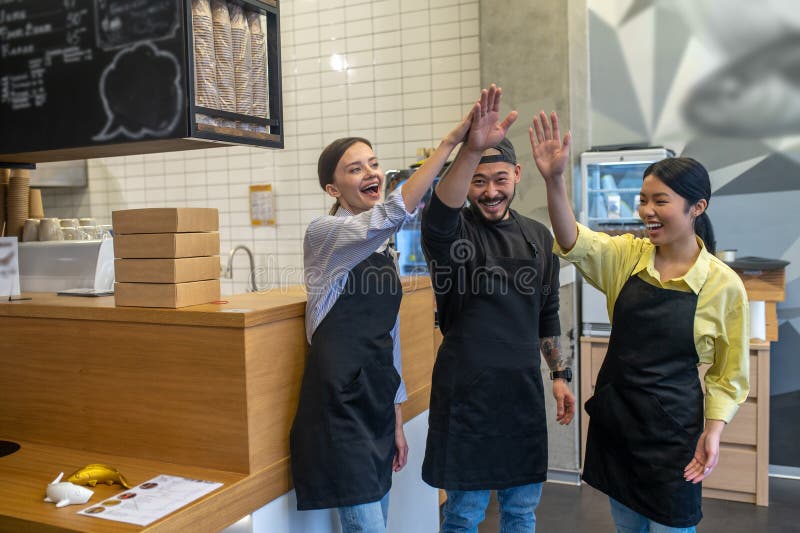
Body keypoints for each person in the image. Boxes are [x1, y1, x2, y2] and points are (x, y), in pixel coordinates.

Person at [289, 86, 503, 533]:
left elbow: (390, 340)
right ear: (332, 188)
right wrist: (451, 144)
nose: (370, 172)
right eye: (355, 169)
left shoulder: (383, 250)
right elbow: (393, 213)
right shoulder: (324, 234)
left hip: (375, 404)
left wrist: (397, 418)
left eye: (373, 163)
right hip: (338, 409)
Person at [529, 110, 750, 532]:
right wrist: (554, 180)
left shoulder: (723, 285)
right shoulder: (628, 256)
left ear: (697, 207)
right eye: (643, 200)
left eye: (660, 201)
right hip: (620, 426)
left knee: (673, 525)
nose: (647, 211)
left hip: (673, 436)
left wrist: (714, 431)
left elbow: (729, 374)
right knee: (627, 526)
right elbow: (572, 240)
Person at [420, 88, 576, 533]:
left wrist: (559, 375)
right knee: (463, 514)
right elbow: (439, 214)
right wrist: (468, 150)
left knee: (521, 511)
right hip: (465, 397)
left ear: (517, 175)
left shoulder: (538, 237)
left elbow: (547, 311)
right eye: (478, 181)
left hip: (520, 397)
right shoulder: (453, 233)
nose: (490, 192)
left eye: (500, 179)